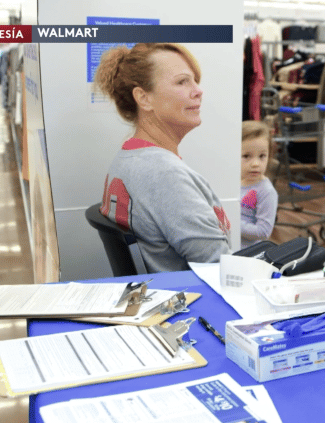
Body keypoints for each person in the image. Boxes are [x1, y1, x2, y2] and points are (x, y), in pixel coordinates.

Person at [95, 43, 231, 272]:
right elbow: (221, 270)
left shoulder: (129, 158)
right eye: (182, 81)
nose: (198, 90)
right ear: (143, 98)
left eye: (195, 80)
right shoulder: (165, 176)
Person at [240, 120, 278, 248]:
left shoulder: (266, 191)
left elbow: (263, 232)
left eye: (262, 156)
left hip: (247, 257)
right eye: (246, 156)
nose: (255, 163)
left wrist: (231, 222)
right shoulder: (234, 181)